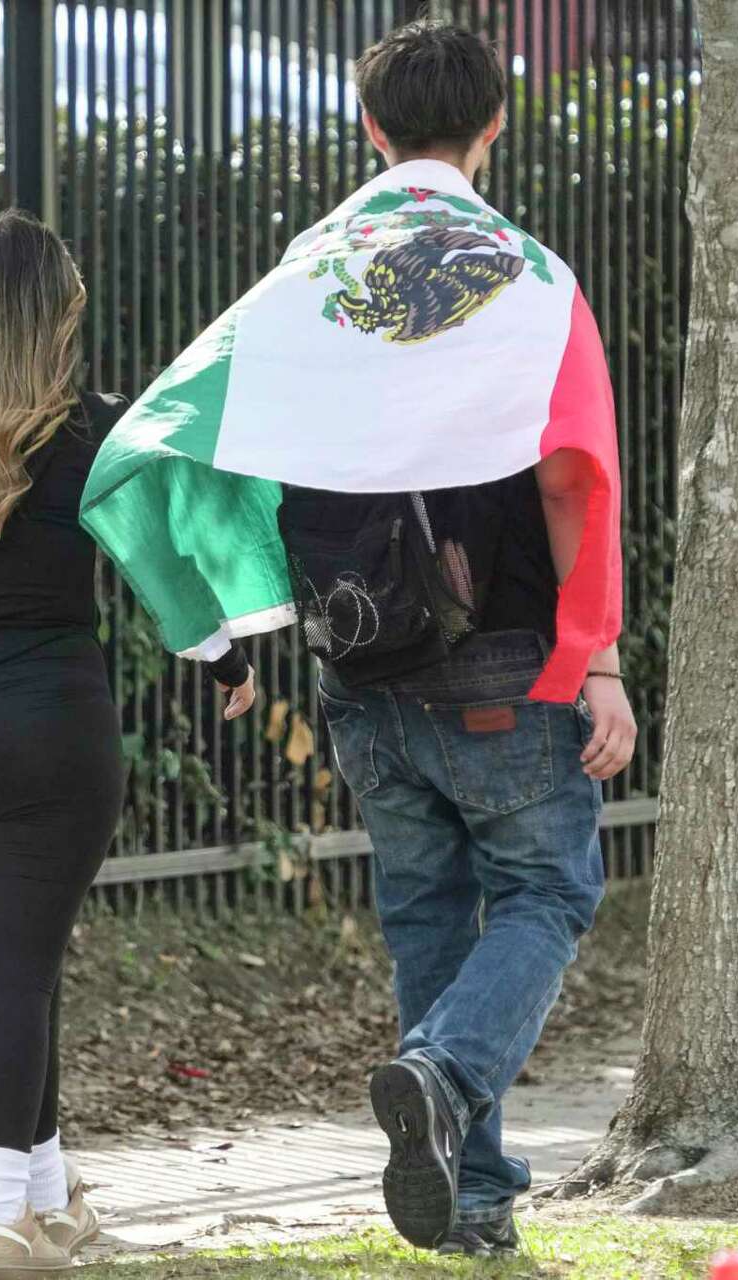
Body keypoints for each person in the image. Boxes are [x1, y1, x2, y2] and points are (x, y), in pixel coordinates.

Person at [289, 22, 637, 1257]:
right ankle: (439, 1076)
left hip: (361, 659)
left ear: (369, 126)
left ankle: (473, 1199)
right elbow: (568, 480)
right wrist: (594, 652)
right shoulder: (531, 280)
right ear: (498, 123)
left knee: (429, 921)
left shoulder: (312, 274)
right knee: (548, 888)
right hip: (499, 652)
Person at [0, 211, 256, 1275]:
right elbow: (165, 573)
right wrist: (227, 660)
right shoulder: (93, 433)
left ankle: (50, 1191)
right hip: (53, 730)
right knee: (19, 972)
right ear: (54, 316)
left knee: (12, 966)